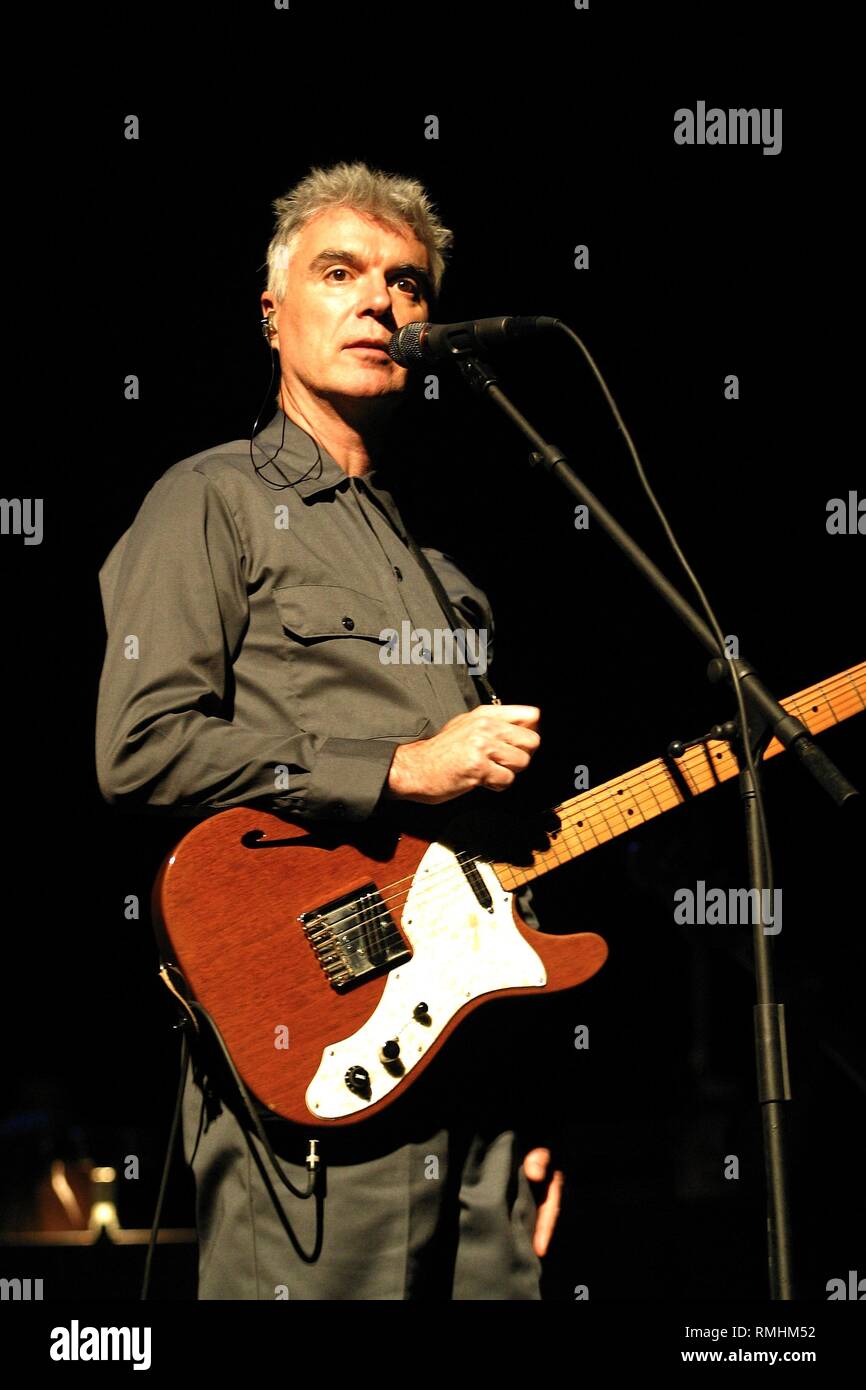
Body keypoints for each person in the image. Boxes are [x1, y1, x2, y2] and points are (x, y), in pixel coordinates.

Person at [95, 160, 564, 1299]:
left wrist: (534, 1107)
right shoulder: (204, 499)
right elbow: (142, 745)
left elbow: (476, 865)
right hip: (311, 1066)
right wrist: (397, 766)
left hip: (473, 1095)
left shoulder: (443, 563)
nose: (377, 302)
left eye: (405, 283)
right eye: (340, 271)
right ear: (273, 312)